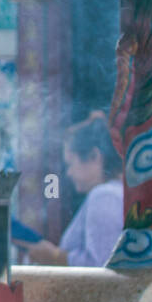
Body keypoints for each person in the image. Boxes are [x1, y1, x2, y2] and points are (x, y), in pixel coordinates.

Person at [16, 111, 124, 268]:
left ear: (94, 156)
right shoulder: (115, 193)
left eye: (71, 163)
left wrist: (53, 256)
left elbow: (102, 265)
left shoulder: (104, 196)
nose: (69, 173)